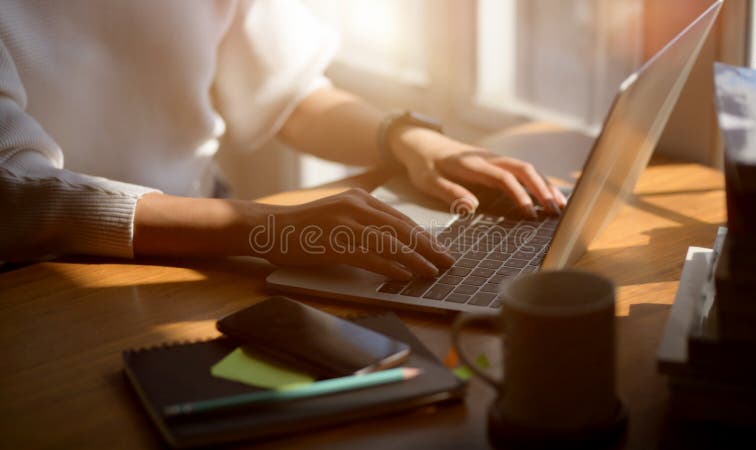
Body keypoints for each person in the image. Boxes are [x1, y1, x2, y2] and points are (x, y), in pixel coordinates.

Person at [0, 0, 565, 280]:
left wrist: (407, 138)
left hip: (211, 236)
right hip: (43, 273)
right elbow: (16, 191)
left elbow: (286, 92)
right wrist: (265, 228)